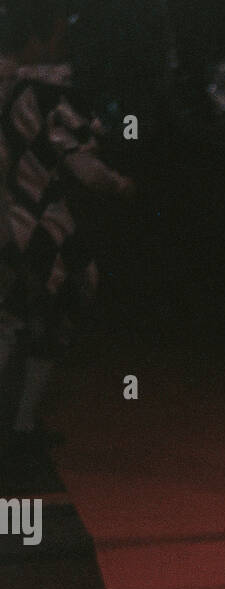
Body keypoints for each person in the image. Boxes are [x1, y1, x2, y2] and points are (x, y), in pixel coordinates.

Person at [0, 0, 134, 460]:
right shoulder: (43, 93)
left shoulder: (22, 87)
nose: (65, 40)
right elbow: (81, 164)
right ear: (37, 38)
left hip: (26, 219)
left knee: (28, 313)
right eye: (58, 31)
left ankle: (19, 425)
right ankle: (17, 427)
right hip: (30, 221)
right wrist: (121, 184)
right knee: (28, 315)